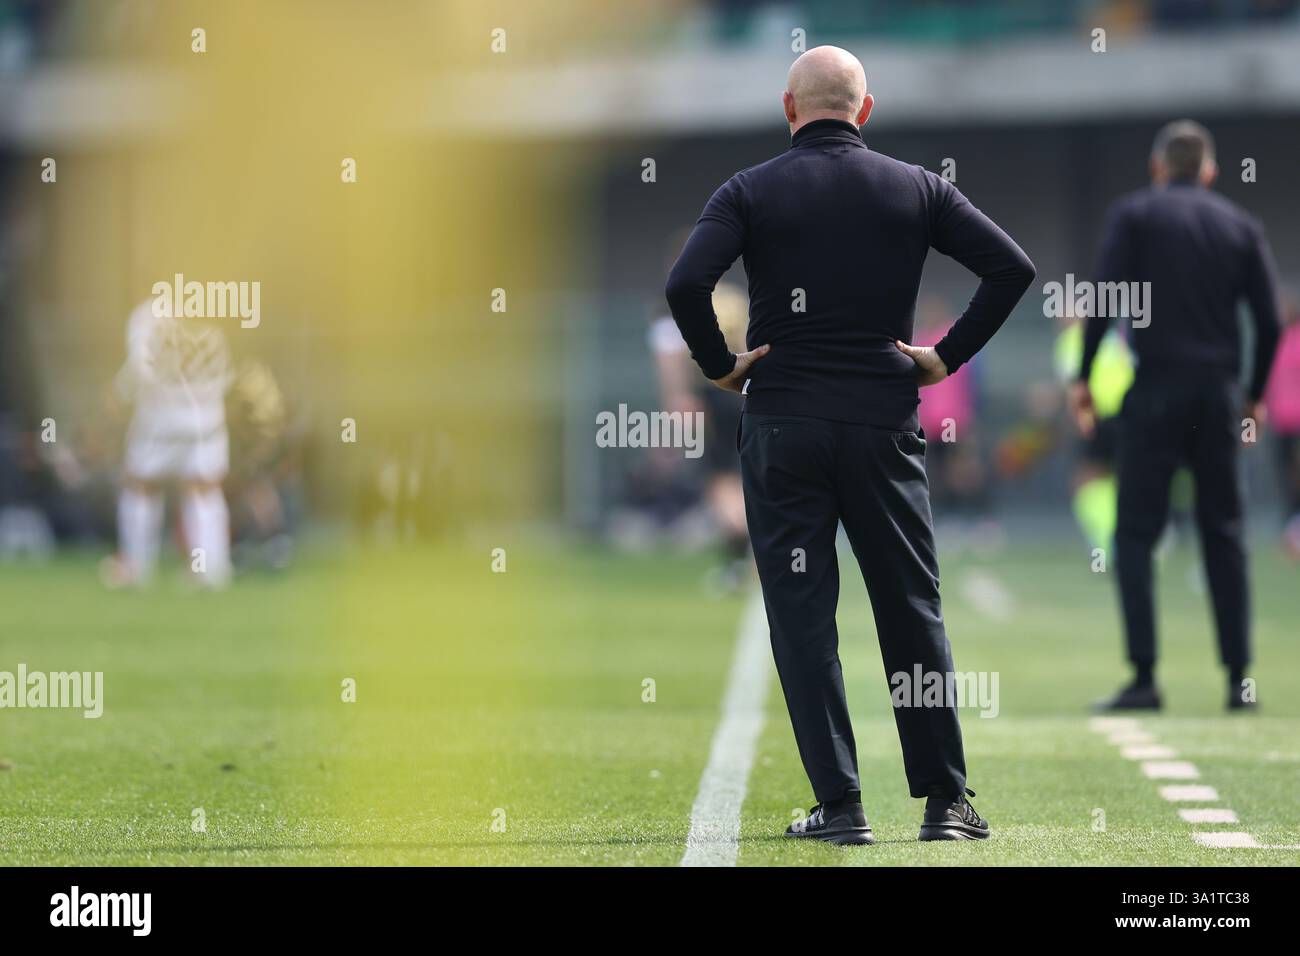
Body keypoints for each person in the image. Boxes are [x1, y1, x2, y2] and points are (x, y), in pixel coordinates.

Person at [665, 46, 1034, 844]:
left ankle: (840, 806)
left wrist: (720, 367)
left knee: (802, 618)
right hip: (882, 425)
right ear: (864, 111)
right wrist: (945, 355)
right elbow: (1012, 267)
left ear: (789, 108)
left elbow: (685, 284)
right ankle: (945, 802)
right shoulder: (917, 186)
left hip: (784, 426)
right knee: (911, 609)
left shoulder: (749, 189)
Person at [1073, 121, 1281, 712]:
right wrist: (1254, 394)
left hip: (1155, 391)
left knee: (1135, 532)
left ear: (1157, 167)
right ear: (1211, 172)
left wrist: (1084, 379)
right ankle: (1238, 681)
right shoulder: (1241, 226)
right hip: (1217, 394)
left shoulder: (1134, 216)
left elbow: (1104, 296)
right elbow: (1268, 321)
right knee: (1225, 531)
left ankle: (1144, 678)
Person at [102, 297, 234, 589]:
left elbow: (140, 366)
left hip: (160, 420)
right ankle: (211, 569)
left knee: (141, 486)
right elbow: (225, 368)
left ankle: (136, 568)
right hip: (206, 419)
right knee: (203, 489)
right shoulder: (213, 307)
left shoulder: (147, 314)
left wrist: (119, 394)